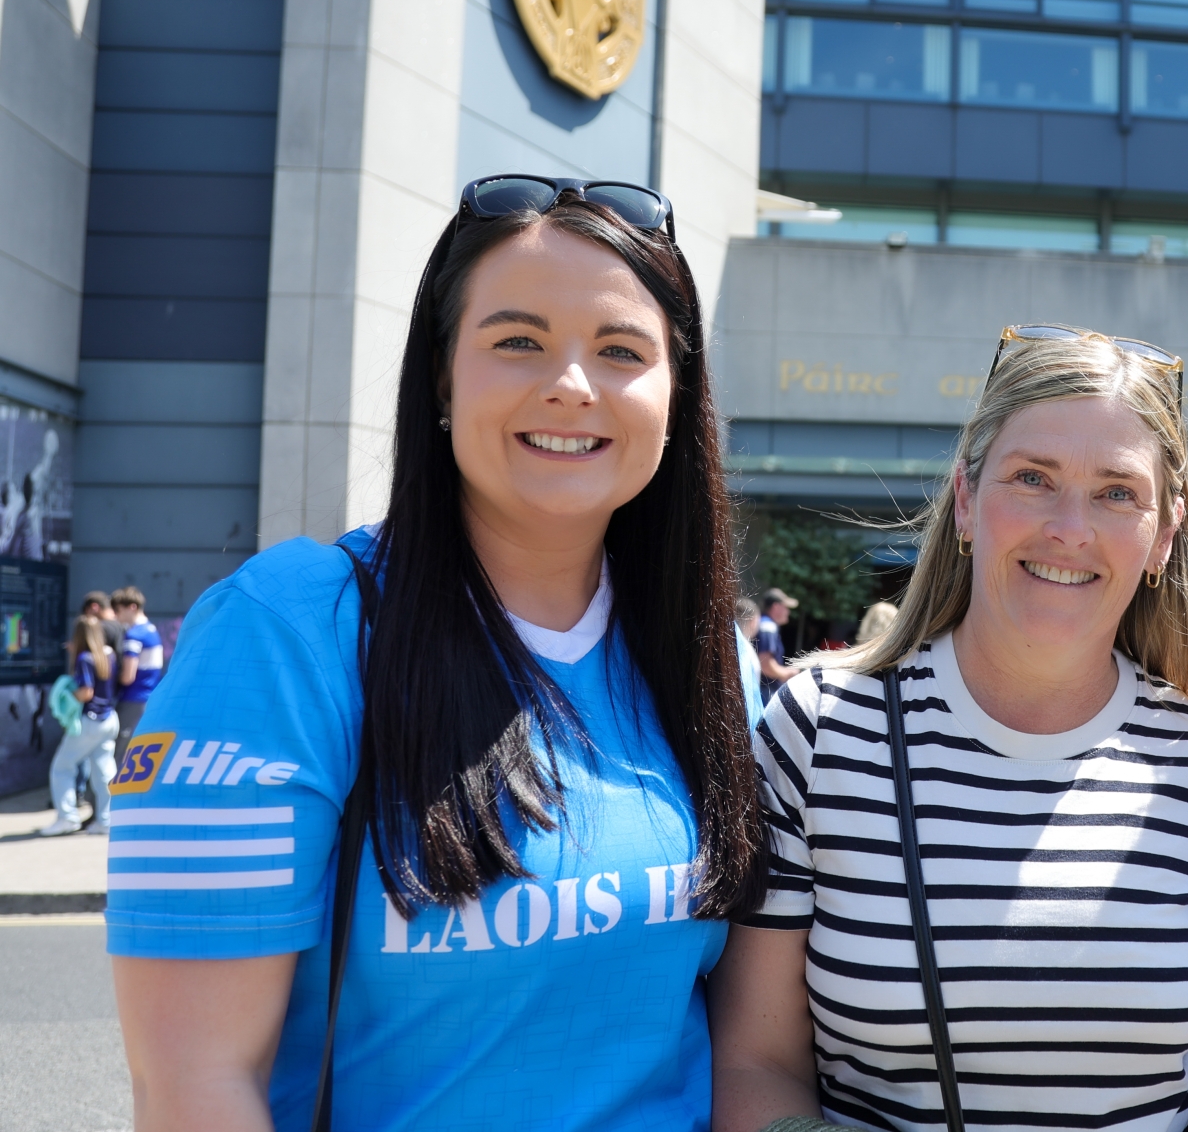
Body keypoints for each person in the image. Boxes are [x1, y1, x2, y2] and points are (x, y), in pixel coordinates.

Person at [106, 175, 766, 1130]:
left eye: (622, 350)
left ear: (676, 398)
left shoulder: (711, 663)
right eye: (518, 341)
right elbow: (193, 1086)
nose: (571, 383)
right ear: (444, 380)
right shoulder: (287, 631)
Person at [710, 325, 1188, 1132]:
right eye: (1033, 477)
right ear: (967, 500)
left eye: (1117, 492)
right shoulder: (819, 732)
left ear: (1164, 534)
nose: (1070, 527)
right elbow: (752, 1061)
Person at [38, 614, 119, 837]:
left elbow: (86, 692)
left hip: (90, 721)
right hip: (109, 718)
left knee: (61, 767)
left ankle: (67, 817)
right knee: (104, 772)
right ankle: (106, 820)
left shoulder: (85, 658)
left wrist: (64, 696)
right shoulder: (109, 654)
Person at [108, 586, 163, 767]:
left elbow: (127, 676)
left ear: (132, 607)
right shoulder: (152, 630)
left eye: (118, 610)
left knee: (119, 754)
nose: (116, 615)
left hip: (132, 700)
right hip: (149, 699)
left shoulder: (134, 636)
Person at [755, 587, 799, 701]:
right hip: (764, 691)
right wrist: (786, 673)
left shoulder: (762, 623)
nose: (788, 612)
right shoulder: (768, 627)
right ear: (776, 606)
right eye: (786, 607)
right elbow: (765, 665)